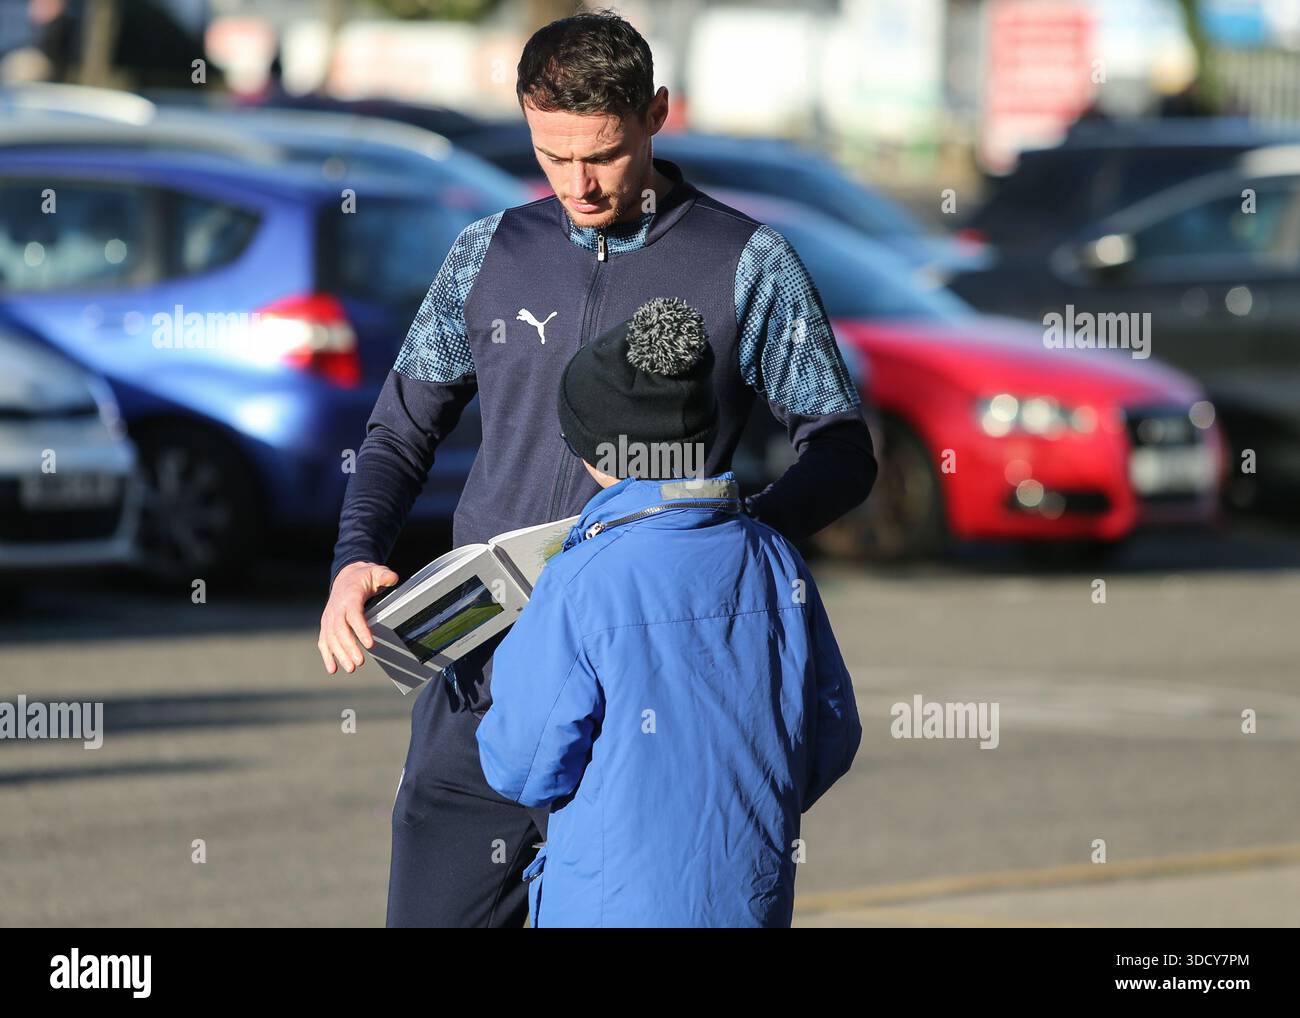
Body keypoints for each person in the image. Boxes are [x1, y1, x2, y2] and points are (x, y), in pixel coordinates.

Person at [318, 9, 877, 928]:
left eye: (605, 155)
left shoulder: (748, 261)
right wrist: (354, 556)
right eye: (551, 155)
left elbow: (843, 448)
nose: (577, 184)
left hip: (657, 682)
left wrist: (725, 548)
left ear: (657, 113)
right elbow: (397, 432)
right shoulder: (487, 253)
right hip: (487, 676)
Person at [476, 297, 862, 927]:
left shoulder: (580, 580)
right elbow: (831, 734)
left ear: (598, 454)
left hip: (606, 902)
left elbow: (522, 764)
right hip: (750, 897)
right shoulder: (775, 558)